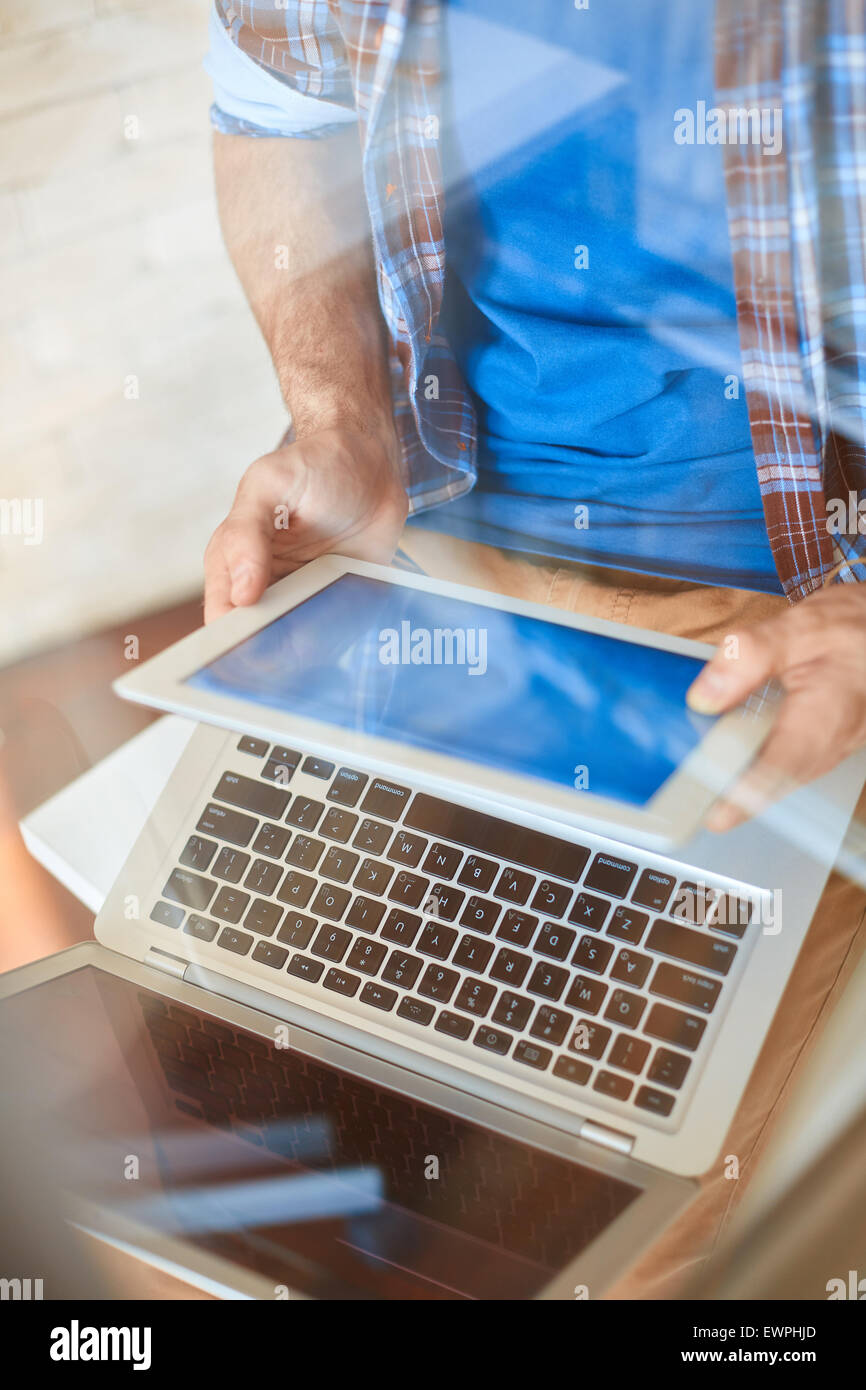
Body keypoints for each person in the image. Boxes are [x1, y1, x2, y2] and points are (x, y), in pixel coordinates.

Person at [201, 0, 866, 1294]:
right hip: (450, 567)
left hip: (798, 631)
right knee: (225, 1097)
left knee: (590, 1237)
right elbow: (275, 112)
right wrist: (335, 417)